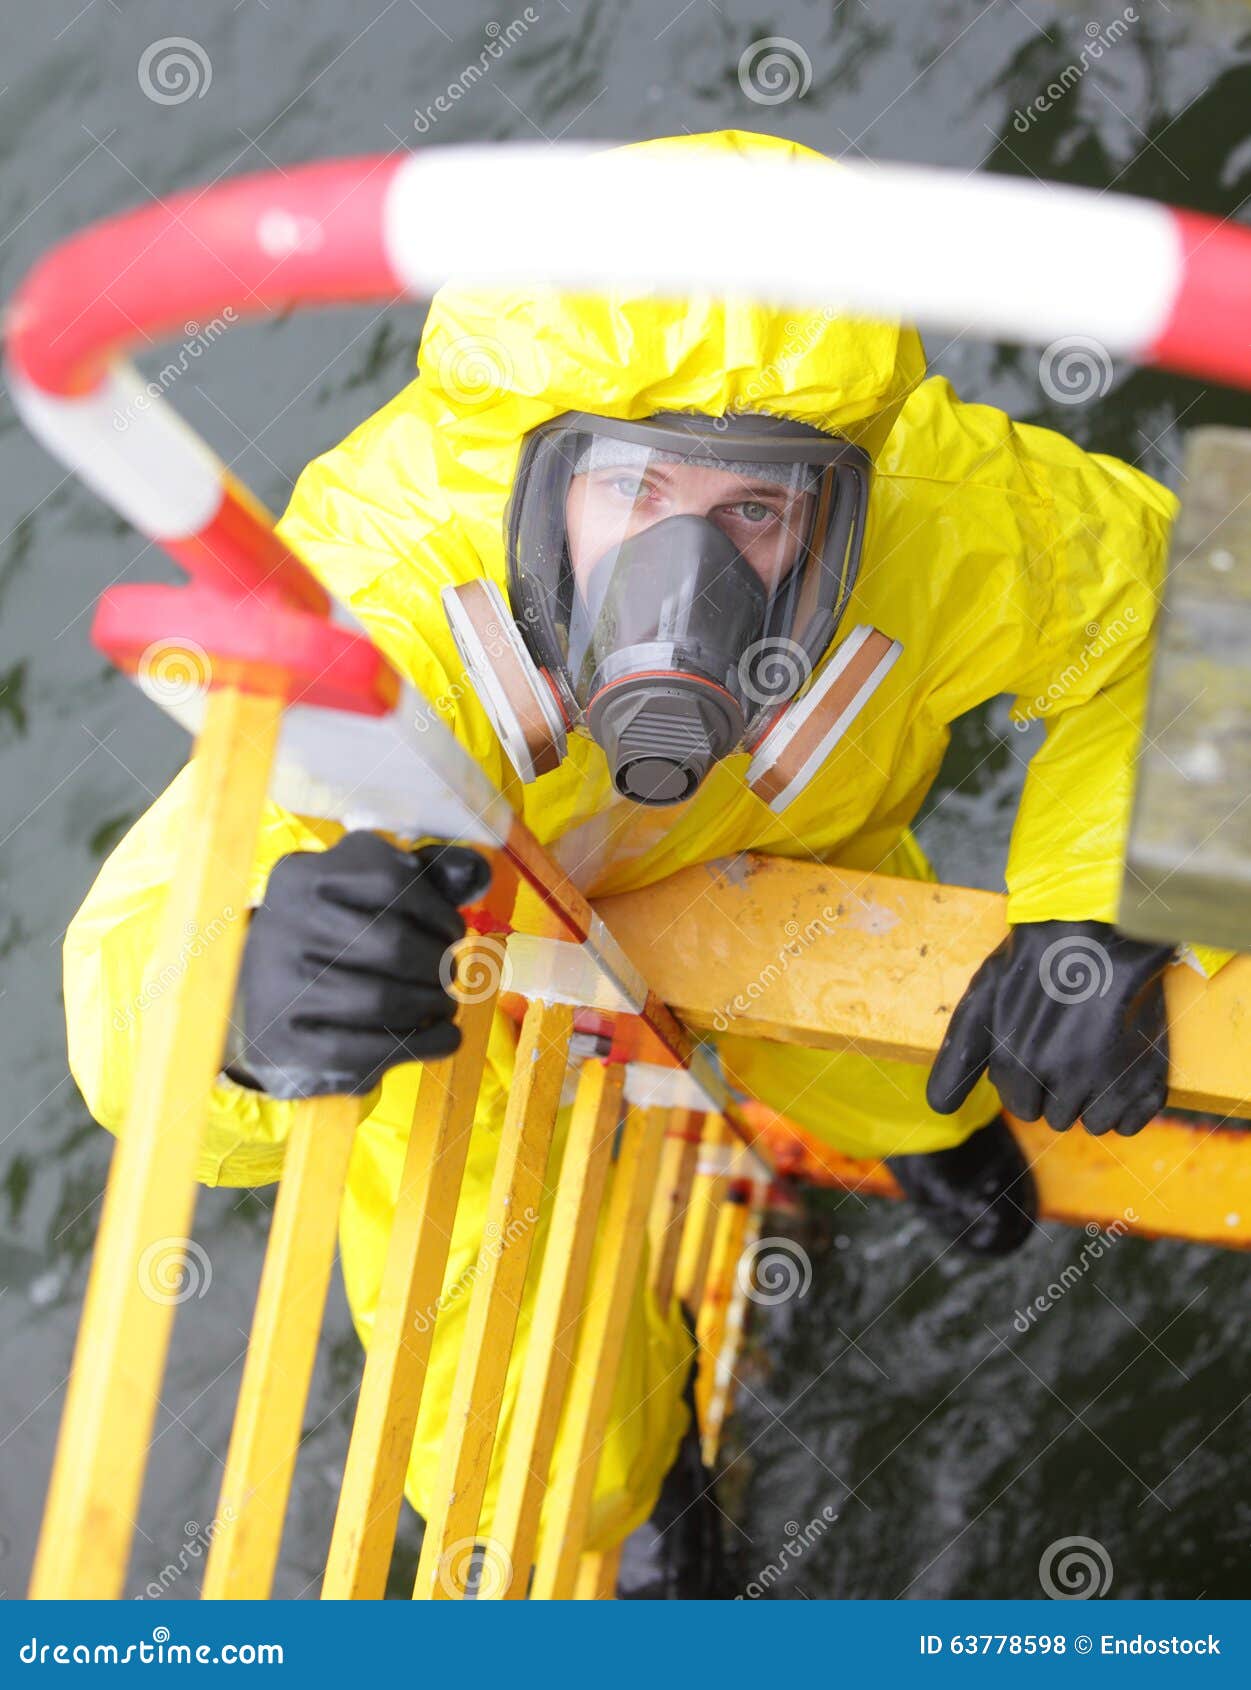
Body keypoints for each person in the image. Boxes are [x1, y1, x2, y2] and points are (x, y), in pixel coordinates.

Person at [62, 129, 1223, 1591]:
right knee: (515, 1333)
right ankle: (628, 1500)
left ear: (847, 498)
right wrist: (247, 994)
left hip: (798, 842)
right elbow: (136, 959)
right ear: (528, 477)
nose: (692, 590)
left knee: (902, 1033)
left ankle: (923, 1133)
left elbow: (1194, 608)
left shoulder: (932, 515)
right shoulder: (391, 598)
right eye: (633, 498)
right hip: (475, 989)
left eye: (753, 510)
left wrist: (1105, 914)